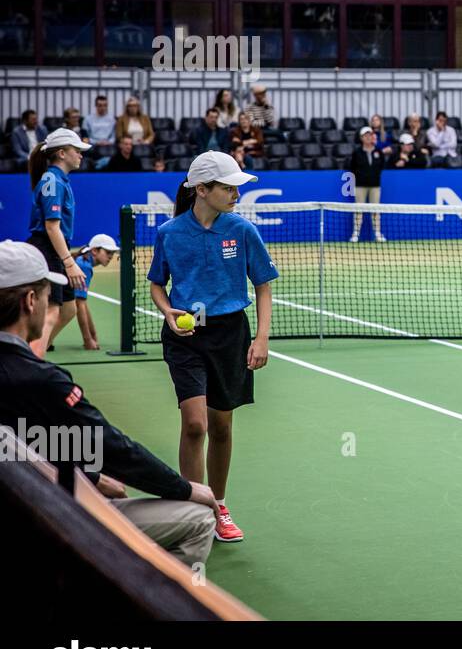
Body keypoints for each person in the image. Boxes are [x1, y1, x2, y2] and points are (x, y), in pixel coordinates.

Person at [0, 240, 219, 567]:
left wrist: (89, 475)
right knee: (198, 518)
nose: (50, 305)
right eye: (48, 296)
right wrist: (185, 488)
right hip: (39, 515)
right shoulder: (41, 380)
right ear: (31, 301)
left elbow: (23, 442)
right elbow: (110, 446)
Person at [148, 151, 278, 544]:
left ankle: (219, 504)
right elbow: (157, 283)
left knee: (221, 426)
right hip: (186, 336)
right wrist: (167, 310)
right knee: (195, 424)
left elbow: (263, 285)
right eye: (228, 187)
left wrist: (260, 337)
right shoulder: (170, 233)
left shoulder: (242, 230)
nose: (236, 192)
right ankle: (193, 512)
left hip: (231, 335)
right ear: (201, 190)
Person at [25, 128, 90, 358]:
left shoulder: (59, 179)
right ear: (62, 153)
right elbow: (52, 227)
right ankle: (32, 361)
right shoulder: (52, 179)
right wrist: (68, 262)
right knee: (51, 311)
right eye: (77, 150)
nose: (81, 155)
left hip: (54, 249)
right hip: (46, 249)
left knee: (68, 309)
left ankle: (32, 354)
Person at [62, 234, 119, 351]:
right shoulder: (84, 266)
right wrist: (88, 340)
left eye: (112, 253)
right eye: (108, 252)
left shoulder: (83, 261)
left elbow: (82, 303)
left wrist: (94, 336)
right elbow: (80, 305)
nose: (111, 257)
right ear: (94, 251)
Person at [347, 127, 386, 242]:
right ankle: (356, 234)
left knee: (376, 210)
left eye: (370, 135)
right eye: (365, 135)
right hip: (360, 186)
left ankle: (377, 234)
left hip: (375, 186)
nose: (368, 137)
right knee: (359, 209)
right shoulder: (357, 153)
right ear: (361, 138)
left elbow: (381, 166)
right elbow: (353, 167)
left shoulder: (378, 152)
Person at [85, 95, 116, 164]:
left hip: (109, 146)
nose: (103, 107)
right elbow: (86, 136)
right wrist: (96, 142)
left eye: (105, 105)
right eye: (100, 105)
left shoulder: (112, 119)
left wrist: (109, 142)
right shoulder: (88, 119)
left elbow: (114, 136)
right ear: (96, 106)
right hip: (92, 146)